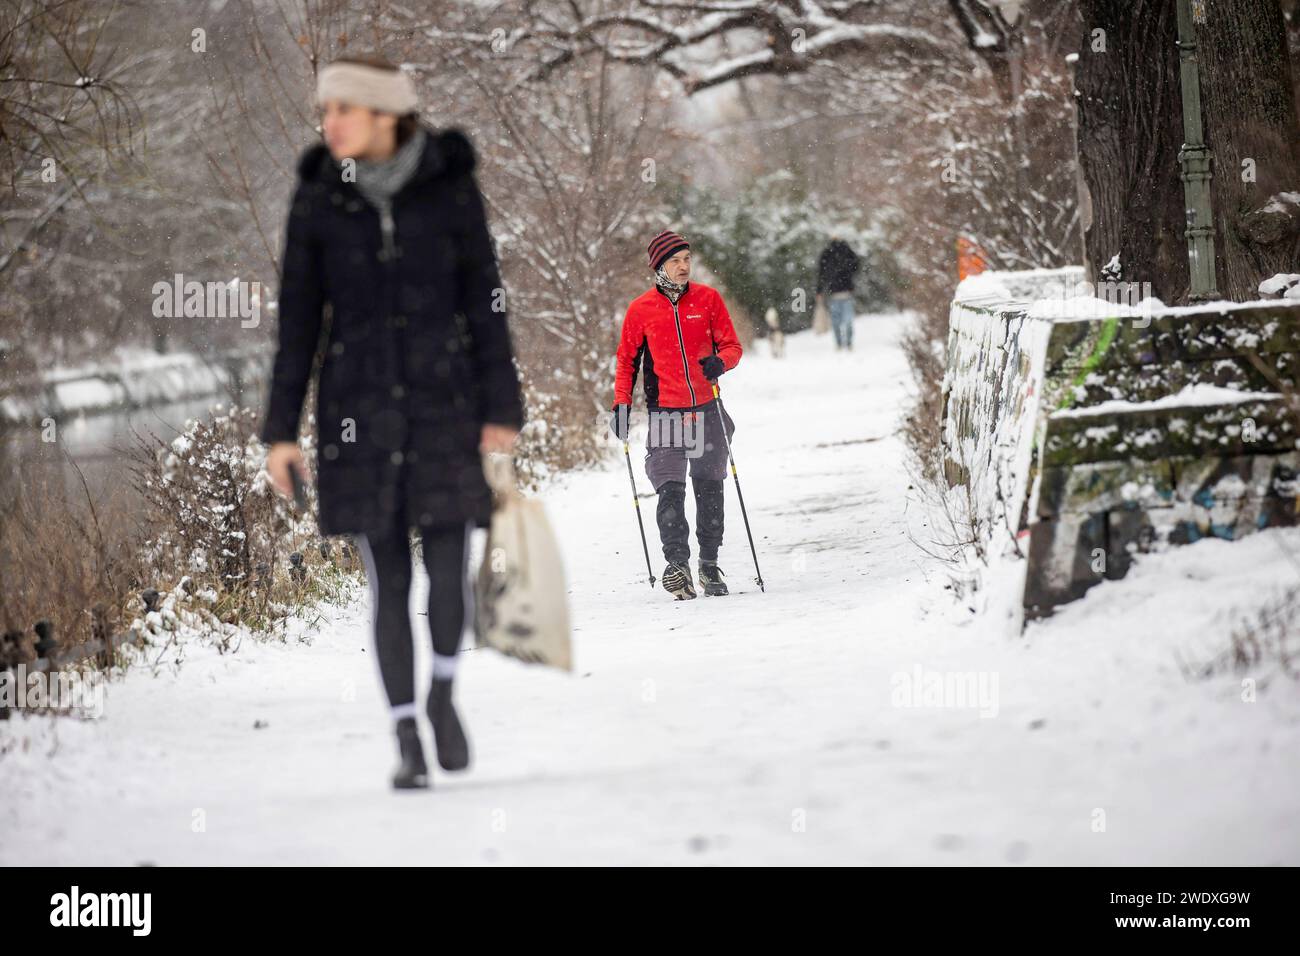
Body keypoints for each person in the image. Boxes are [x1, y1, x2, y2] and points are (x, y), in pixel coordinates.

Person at [259, 56, 524, 791]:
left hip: (446, 406)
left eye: (343, 107)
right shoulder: (319, 200)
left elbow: (486, 304)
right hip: (357, 415)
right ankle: (405, 733)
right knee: (388, 580)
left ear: (386, 115)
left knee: (446, 571)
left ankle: (441, 694)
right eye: (325, 110)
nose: (329, 122)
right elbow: (298, 326)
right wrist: (280, 432)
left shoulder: (448, 187)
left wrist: (502, 409)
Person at [609, 230, 743, 600]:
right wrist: (621, 404)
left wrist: (722, 361)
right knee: (669, 490)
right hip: (666, 412)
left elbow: (732, 345)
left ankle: (709, 564)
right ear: (659, 266)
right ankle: (677, 565)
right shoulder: (641, 310)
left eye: (687, 258)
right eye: (675, 260)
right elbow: (626, 362)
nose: (684, 266)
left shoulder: (708, 299)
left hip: (706, 409)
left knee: (709, 488)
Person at [816, 235, 861, 351]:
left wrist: (819, 290)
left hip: (834, 293)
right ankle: (847, 343)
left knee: (837, 321)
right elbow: (856, 266)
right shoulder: (847, 251)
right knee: (847, 320)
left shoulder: (827, 253)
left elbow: (821, 274)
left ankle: (840, 344)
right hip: (846, 292)